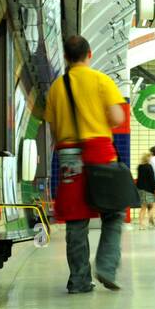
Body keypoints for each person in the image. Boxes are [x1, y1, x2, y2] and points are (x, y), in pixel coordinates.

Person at [44, 35, 128, 293]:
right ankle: (105, 265)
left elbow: (52, 126)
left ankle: (79, 280)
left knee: (76, 218)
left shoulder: (57, 87)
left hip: (69, 155)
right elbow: (116, 118)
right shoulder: (102, 80)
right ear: (89, 54)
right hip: (100, 151)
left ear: (67, 58)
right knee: (113, 213)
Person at [135, 151, 155, 229]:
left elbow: (139, 179)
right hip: (148, 190)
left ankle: (142, 224)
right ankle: (148, 220)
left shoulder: (140, 167)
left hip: (140, 189)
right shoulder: (149, 166)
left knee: (143, 207)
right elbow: (152, 179)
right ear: (148, 158)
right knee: (154, 205)